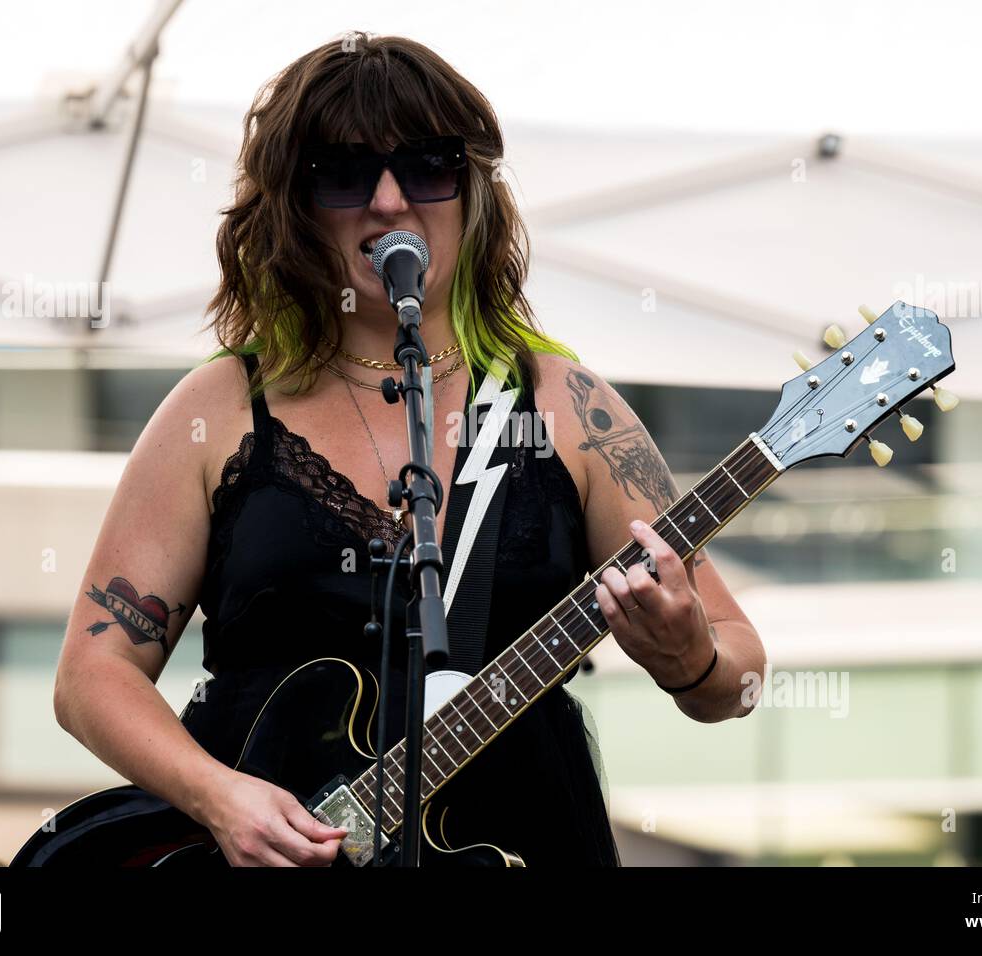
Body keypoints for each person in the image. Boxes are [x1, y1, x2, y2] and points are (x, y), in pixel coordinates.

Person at [51, 32, 765, 867]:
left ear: (472, 192)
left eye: (427, 166)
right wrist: (220, 796)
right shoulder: (217, 411)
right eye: (344, 174)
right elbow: (91, 678)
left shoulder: (567, 407)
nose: (388, 201)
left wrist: (691, 659)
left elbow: (739, 668)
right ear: (293, 207)